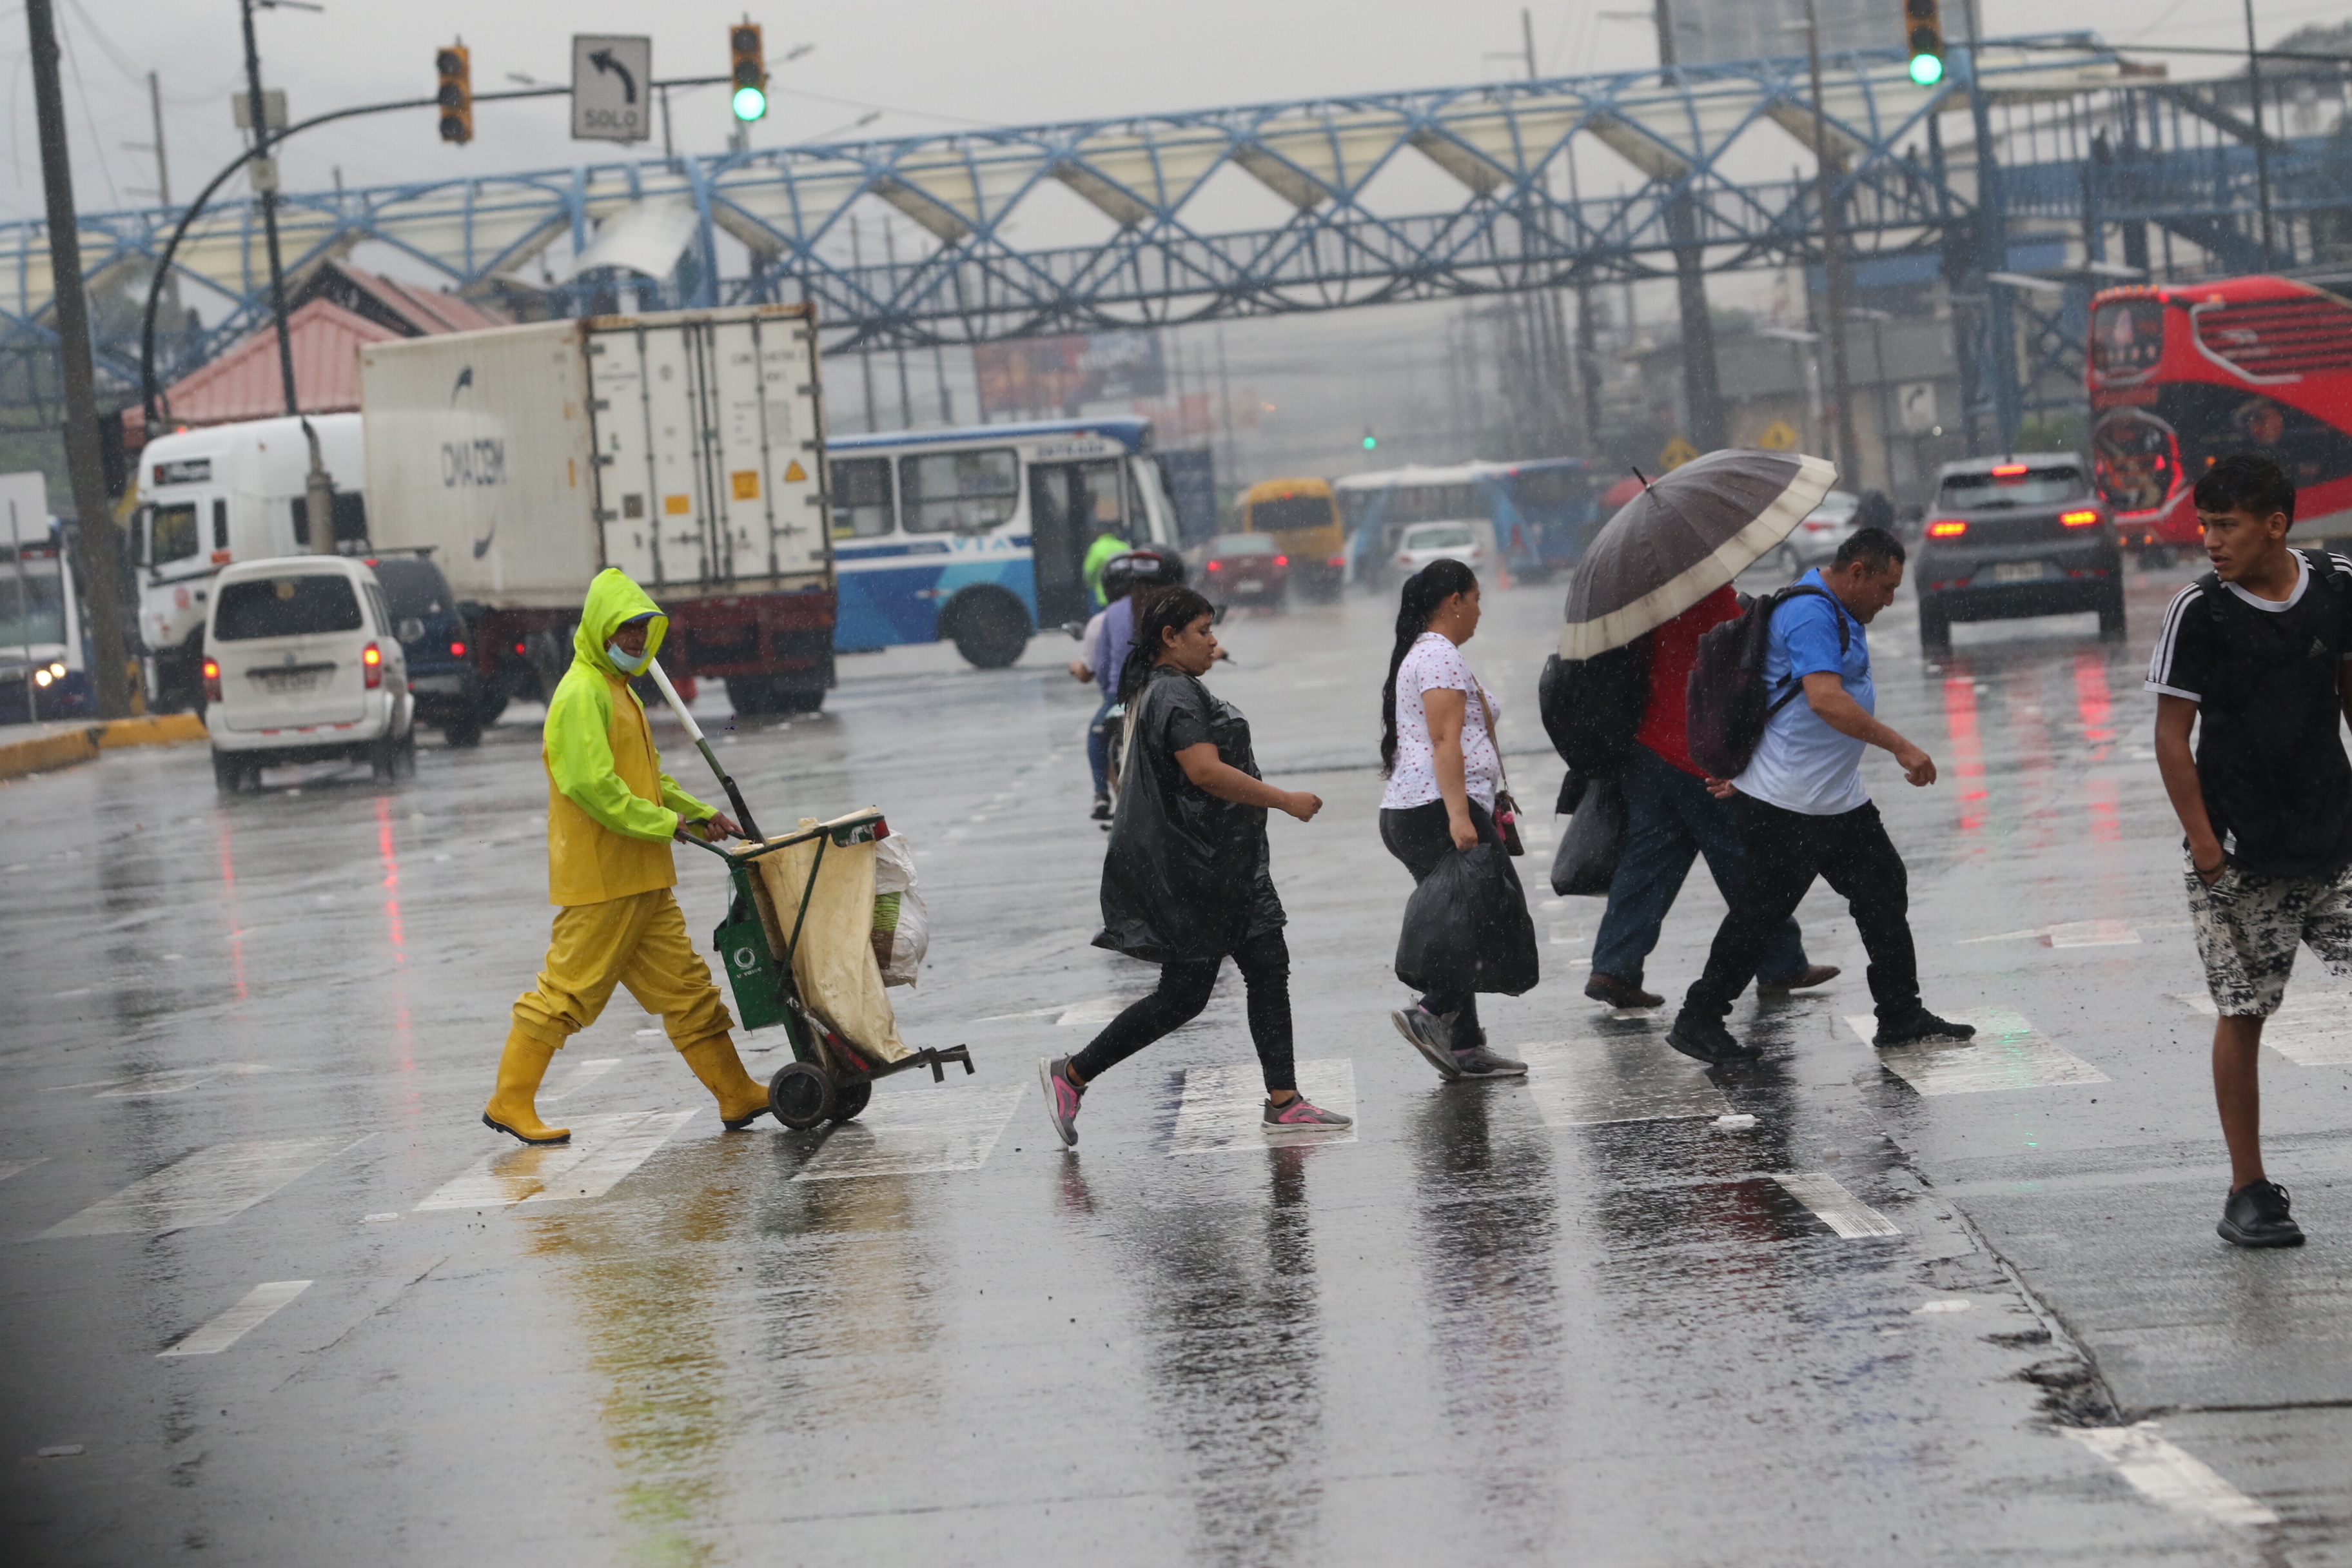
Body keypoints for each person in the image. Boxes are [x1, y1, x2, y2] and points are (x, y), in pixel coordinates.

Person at [1038, 587, 1353, 1146]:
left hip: (1221, 863)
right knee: (1194, 991)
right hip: (1200, 867)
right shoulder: (1174, 694)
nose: (1214, 642)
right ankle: (1074, 1073)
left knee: (1255, 969)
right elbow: (1205, 772)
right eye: (1204, 631)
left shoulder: (1167, 689)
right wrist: (1283, 799)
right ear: (1170, 638)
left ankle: (1283, 1100)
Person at [482, 568, 771, 1145]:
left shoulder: (618, 689)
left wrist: (692, 812)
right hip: (604, 879)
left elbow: (644, 778)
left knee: (688, 992)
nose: (637, 641)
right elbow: (594, 787)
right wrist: (666, 824)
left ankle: (737, 1093)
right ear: (599, 629)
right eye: (626, 630)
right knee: (567, 992)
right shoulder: (580, 693)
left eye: (643, 630)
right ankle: (510, 1101)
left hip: (641, 878)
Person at [1665, 527, 1974, 1065]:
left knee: (1881, 889)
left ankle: (1900, 1014)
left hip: (1834, 799)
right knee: (1760, 915)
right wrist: (1900, 747)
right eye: (1885, 586)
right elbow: (1824, 700)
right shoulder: (1811, 613)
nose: (1889, 599)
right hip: (1790, 804)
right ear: (1857, 572)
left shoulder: (1838, 608)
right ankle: (1700, 1018)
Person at [2148, 453, 2352, 1249]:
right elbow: (2171, 738)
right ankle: (2250, 1189)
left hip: (2337, 839)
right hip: (2241, 852)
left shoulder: (2337, 585)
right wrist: (2207, 849)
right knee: (2244, 1011)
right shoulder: (2200, 612)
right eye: (2204, 523)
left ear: (2277, 524)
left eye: (2226, 524)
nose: (2210, 539)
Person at [1585, 585, 1841, 1011]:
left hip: (1648, 749)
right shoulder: (1716, 599)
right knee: (1747, 859)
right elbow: (1744, 671)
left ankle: (1614, 966)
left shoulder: (1643, 601)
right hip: (1698, 756)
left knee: (1649, 863)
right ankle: (1781, 962)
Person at [1379, 558, 1531, 1081]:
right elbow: (1446, 741)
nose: (1481, 610)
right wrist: (1460, 817)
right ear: (1454, 603)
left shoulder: (1431, 654)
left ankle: (1465, 1046)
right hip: (1437, 809)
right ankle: (1431, 1011)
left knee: (1461, 924)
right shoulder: (1439, 656)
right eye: (1477, 598)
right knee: (1492, 913)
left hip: (1420, 809)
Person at [1082, 519, 1130, 609]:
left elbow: (1089, 571)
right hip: (1123, 596)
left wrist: (1093, 584)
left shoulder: (1096, 548)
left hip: (1102, 597)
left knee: (1100, 621)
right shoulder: (1124, 546)